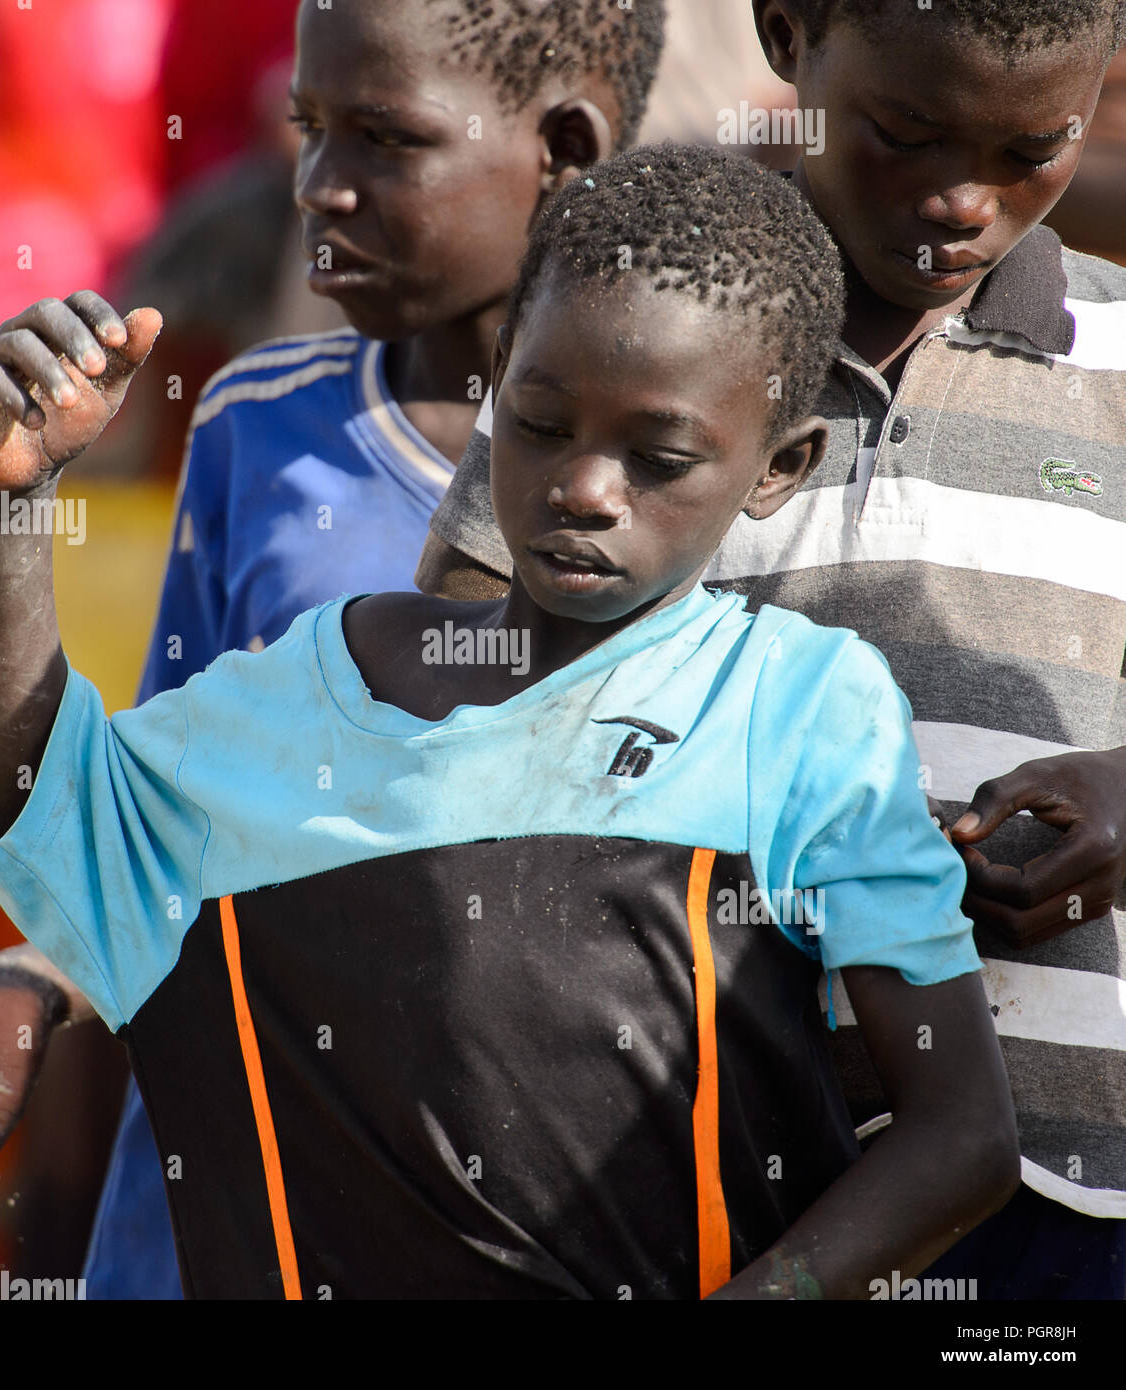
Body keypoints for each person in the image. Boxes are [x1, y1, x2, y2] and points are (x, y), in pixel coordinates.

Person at [0, 144, 1017, 1300]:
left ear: (778, 466)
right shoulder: (300, 696)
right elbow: (37, 806)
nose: (586, 487)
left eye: (658, 457)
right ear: (499, 388)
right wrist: (10, 503)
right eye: (543, 424)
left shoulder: (797, 710)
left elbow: (959, 1140)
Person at [0, 0, 667, 1298]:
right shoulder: (259, 429)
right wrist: (11, 508)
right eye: (306, 128)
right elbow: (153, 844)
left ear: (563, 143)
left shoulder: (685, 472)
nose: (317, 186)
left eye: (383, 138)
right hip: (223, 1228)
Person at [417, 0, 1126, 1298]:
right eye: (906, 131)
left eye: (1032, 149)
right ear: (790, 34)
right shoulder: (629, 337)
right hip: (687, 1163)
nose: (963, 198)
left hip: (1075, 1185)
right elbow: (446, 687)